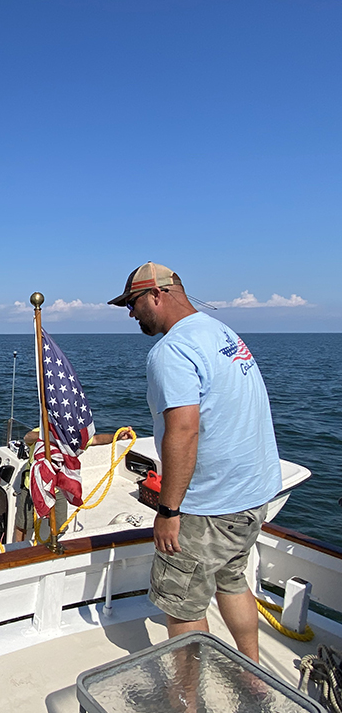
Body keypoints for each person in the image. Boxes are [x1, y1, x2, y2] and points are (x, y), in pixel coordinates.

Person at [108, 261, 281, 660]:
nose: (131, 314)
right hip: (252, 498)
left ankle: (188, 696)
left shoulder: (172, 350)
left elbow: (184, 431)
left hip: (208, 507)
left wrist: (168, 511)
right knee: (232, 581)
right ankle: (253, 673)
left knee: (182, 607)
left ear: (157, 294)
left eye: (132, 303)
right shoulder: (222, 333)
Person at [15, 426, 134, 542]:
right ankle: (17, 548)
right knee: (23, 524)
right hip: (32, 487)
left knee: (60, 527)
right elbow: (28, 437)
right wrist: (50, 434)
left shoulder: (71, 438)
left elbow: (96, 439)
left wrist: (117, 436)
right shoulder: (42, 430)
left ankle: (55, 547)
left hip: (58, 490)